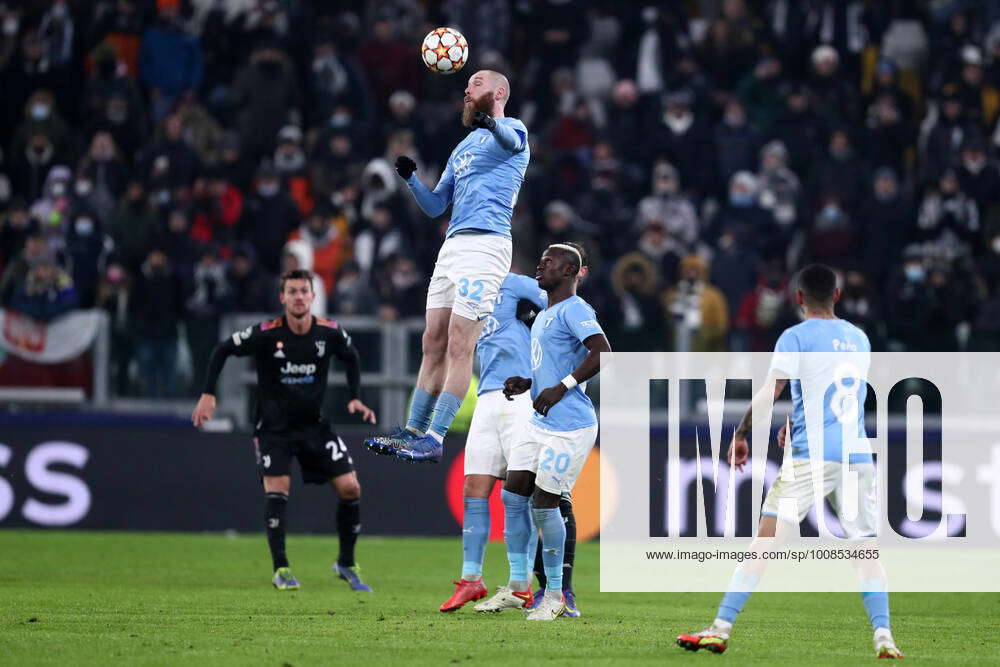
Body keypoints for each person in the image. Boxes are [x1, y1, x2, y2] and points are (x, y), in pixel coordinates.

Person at [677, 264, 903, 659]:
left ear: (798, 298)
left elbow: (771, 391)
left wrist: (742, 432)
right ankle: (884, 637)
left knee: (764, 543)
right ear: (837, 295)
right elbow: (836, 392)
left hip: (812, 457)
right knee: (865, 552)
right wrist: (794, 421)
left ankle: (720, 627)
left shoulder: (795, 336)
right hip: (856, 456)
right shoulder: (859, 338)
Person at [365, 70, 530, 464]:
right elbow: (438, 205)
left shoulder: (513, 131)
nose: (467, 91)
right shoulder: (463, 147)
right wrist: (410, 180)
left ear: (499, 91)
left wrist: (491, 122)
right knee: (432, 340)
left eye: (475, 85)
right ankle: (413, 430)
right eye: (467, 87)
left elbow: (508, 139)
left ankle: (436, 437)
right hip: (453, 246)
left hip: (487, 244)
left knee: (460, 341)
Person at [191, 269, 378, 592]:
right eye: (292, 291)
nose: (299, 297)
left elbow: (351, 357)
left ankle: (346, 562)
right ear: (282, 298)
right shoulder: (266, 333)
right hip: (274, 430)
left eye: (304, 291)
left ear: (313, 296)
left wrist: (355, 397)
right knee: (277, 492)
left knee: (351, 488)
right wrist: (209, 393)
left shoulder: (329, 333)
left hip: (315, 428)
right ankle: (282, 568)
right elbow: (223, 349)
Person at [474, 243, 611, 621]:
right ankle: (518, 587)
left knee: (545, 504)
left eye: (548, 263)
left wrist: (561, 387)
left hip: (569, 426)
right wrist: (529, 382)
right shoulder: (546, 314)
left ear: (569, 272)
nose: (540, 266)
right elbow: (554, 363)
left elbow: (603, 351)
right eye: (541, 261)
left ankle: (555, 594)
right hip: (540, 419)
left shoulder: (576, 309)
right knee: (513, 494)